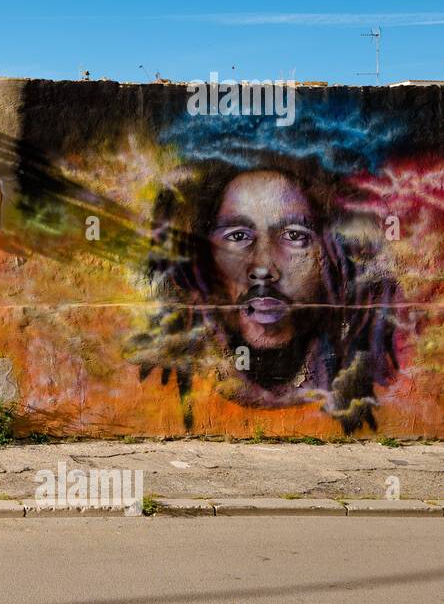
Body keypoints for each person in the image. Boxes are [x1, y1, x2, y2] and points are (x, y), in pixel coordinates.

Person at [128, 162, 397, 433]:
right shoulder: (156, 393)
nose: (263, 267)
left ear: (331, 257)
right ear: (203, 260)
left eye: (294, 235)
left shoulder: (384, 378)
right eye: (238, 236)